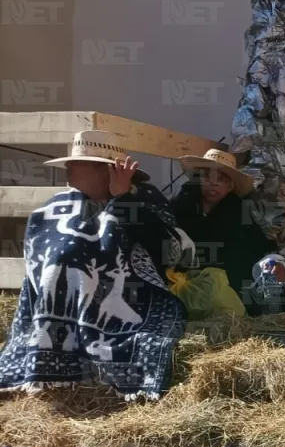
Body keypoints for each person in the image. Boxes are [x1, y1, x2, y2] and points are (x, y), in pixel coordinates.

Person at [0, 131, 186, 401]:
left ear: (105, 170)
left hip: (126, 295)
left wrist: (122, 201)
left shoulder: (144, 198)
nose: (68, 167)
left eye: (78, 162)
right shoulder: (58, 205)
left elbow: (167, 250)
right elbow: (41, 245)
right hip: (61, 299)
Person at [168, 149, 285, 319]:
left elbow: (258, 247)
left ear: (230, 185)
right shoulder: (179, 206)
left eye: (221, 179)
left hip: (233, 286)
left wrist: (275, 264)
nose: (213, 184)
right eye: (207, 177)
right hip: (189, 285)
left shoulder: (239, 214)